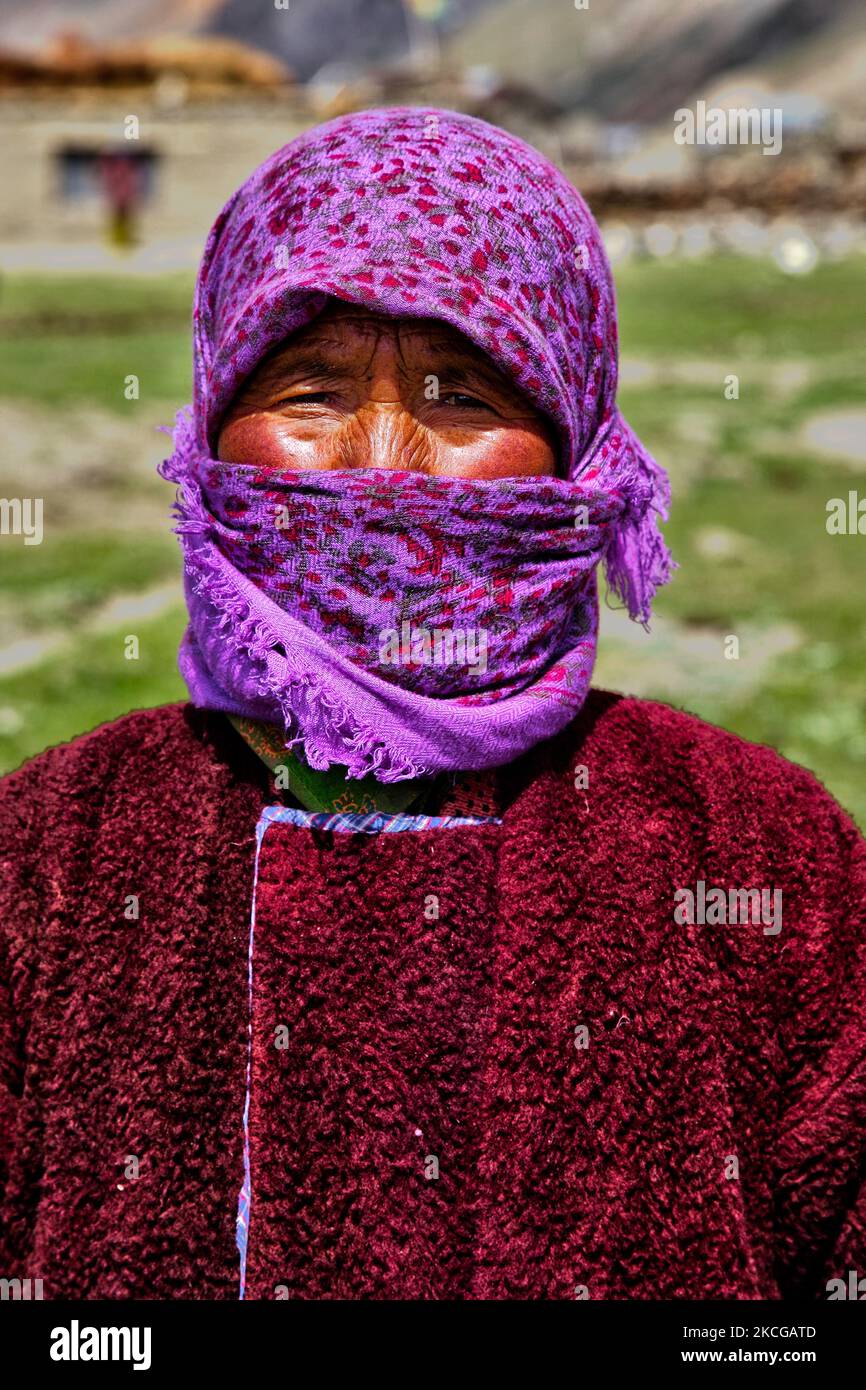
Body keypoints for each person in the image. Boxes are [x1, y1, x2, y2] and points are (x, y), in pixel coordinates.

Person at [1, 107, 864, 1301]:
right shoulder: (49, 854)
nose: (383, 458)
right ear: (211, 427)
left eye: (461, 394)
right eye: (312, 390)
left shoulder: (759, 850)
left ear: (574, 448)